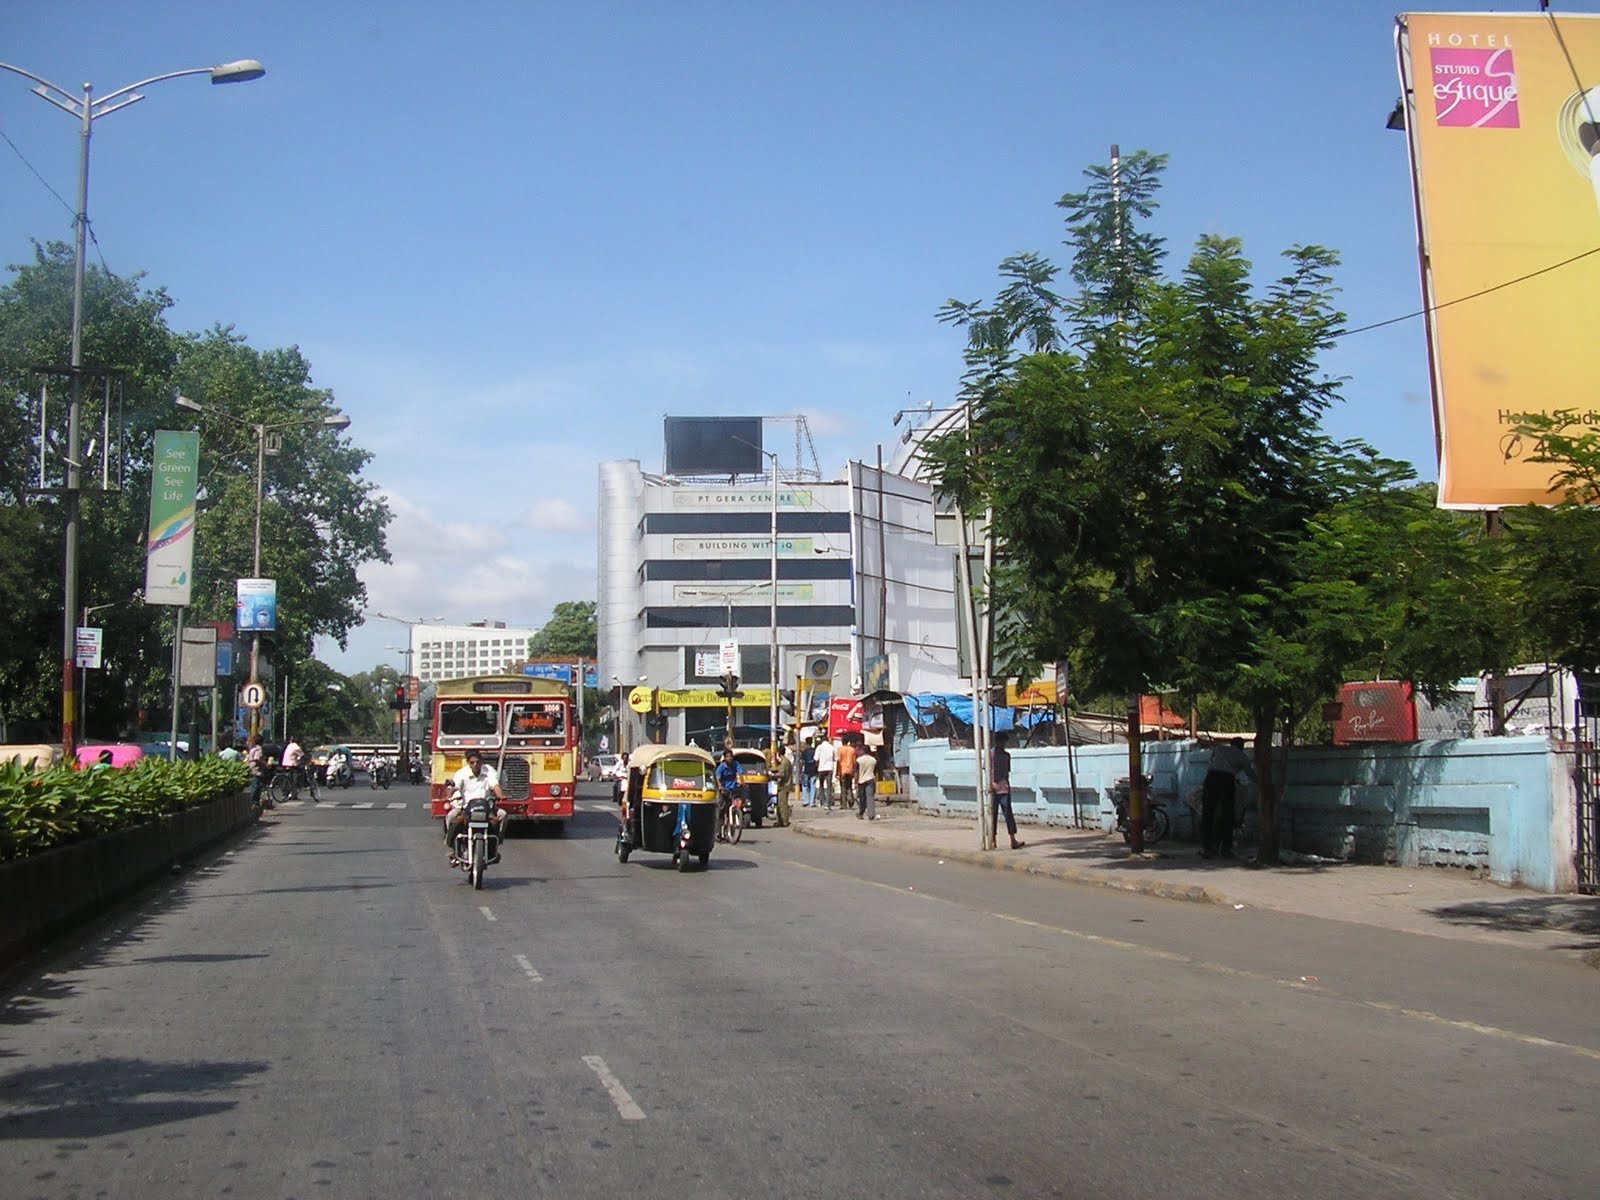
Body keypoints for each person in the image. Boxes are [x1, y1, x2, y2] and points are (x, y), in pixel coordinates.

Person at [444, 749, 508, 864]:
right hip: (466, 808)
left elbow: (495, 785)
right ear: (468, 762)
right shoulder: (462, 773)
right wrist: (450, 793)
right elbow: (455, 786)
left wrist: (500, 795)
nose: (475, 765)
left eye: (478, 762)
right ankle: (454, 849)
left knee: (503, 815)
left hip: (487, 808)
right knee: (450, 817)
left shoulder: (489, 771)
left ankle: (496, 846)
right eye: (472, 762)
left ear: (481, 761)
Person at [1201, 737, 1255, 859]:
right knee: (1228, 815)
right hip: (1226, 780)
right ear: (1241, 746)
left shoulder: (1219, 749)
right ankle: (1225, 848)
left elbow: (1211, 762)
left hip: (1211, 778)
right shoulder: (1242, 756)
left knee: (1208, 813)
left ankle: (1207, 847)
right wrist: (1262, 783)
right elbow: (1250, 773)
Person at [990, 732, 1026, 849]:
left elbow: (1007, 772)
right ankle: (993, 839)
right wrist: (992, 783)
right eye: (1001, 742)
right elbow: (989, 770)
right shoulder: (991, 755)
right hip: (994, 787)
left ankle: (1012, 839)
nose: (1003, 744)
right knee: (993, 814)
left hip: (1004, 787)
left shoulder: (1006, 755)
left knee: (1008, 813)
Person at [714, 747, 741, 841]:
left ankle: (730, 831)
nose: (729, 758)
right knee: (721, 811)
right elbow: (717, 778)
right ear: (725, 758)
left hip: (732, 790)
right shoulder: (721, 767)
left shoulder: (736, 764)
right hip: (723, 791)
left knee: (731, 809)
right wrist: (720, 787)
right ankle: (717, 833)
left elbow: (740, 774)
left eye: (731, 756)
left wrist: (742, 782)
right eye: (727, 756)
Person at [855, 742, 879, 821]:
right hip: (871, 779)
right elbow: (875, 771)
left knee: (862, 798)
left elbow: (856, 772)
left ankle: (861, 813)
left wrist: (855, 782)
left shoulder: (859, 760)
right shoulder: (873, 760)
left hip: (861, 780)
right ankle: (871, 814)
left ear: (863, 751)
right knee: (870, 797)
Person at [835, 736, 858, 814]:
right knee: (849, 786)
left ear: (842, 742)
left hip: (843, 770)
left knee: (843, 787)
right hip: (850, 770)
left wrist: (837, 772)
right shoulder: (852, 750)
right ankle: (851, 800)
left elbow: (838, 761)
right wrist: (854, 770)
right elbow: (854, 761)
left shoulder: (840, 749)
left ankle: (844, 804)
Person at [813, 734, 836, 809]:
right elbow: (835, 758)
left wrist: (817, 767)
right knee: (829, 786)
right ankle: (828, 804)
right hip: (829, 768)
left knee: (821, 785)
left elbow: (816, 758)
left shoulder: (819, 747)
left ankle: (822, 800)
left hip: (821, 768)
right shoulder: (831, 747)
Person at [772, 743, 792, 827]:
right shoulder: (784, 761)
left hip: (784, 786)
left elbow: (782, 774)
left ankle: (784, 821)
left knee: (782, 805)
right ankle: (780, 821)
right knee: (780, 804)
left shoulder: (784, 762)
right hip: (783, 785)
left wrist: (773, 776)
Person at [281, 735, 307, 801]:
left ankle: (286, 794)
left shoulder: (290, 745)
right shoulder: (296, 747)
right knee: (297, 777)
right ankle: (294, 792)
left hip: (285, 764)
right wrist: (309, 761)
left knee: (289, 778)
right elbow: (303, 755)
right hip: (291, 765)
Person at [245, 733, 266, 808]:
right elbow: (257, 759)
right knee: (256, 786)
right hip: (257, 770)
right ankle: (254, 801)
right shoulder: (259, 749)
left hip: (251, 768)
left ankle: (255, 801)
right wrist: (264, 764)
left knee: (255, 784)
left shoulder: (252, 749)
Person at [800, 737, 818, 807]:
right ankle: (812, 802)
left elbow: (802, 762)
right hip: (813, 769)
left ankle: (805, 801)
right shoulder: (814, 750)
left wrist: (801, 771)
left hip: (806, 770)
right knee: (813, 785)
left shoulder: (804, 751)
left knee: (805, 785)